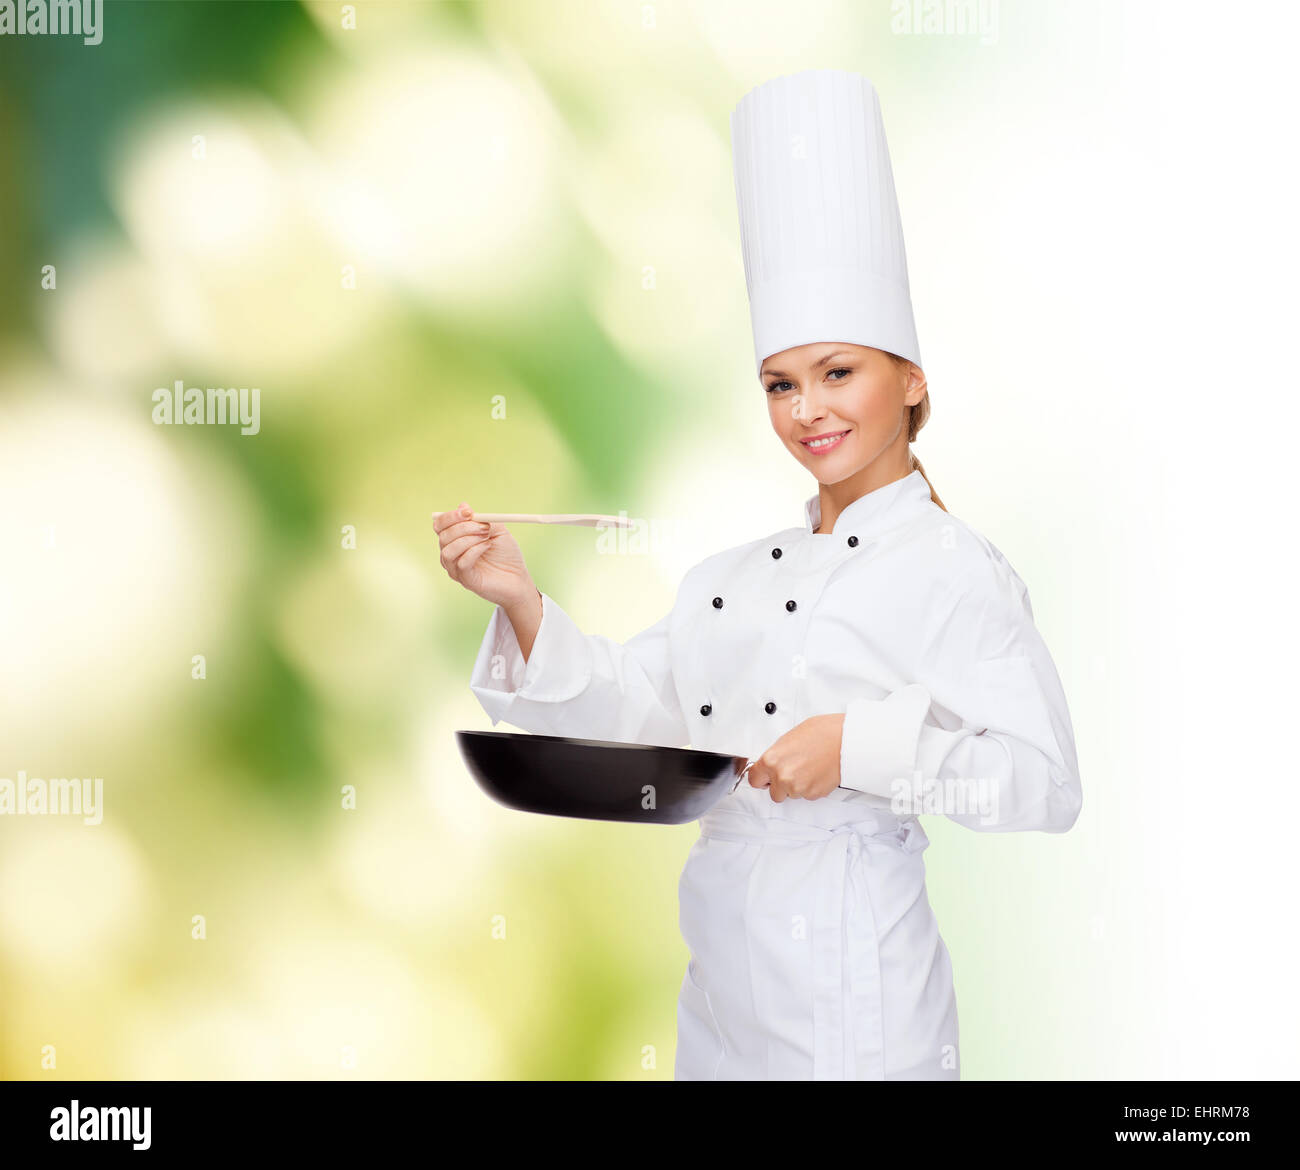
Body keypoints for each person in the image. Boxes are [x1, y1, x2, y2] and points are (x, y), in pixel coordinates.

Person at [434, 69, 1081, 1080]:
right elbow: (636, 707)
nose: (805, 411)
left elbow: (1042, 787)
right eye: (781, 383)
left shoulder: (954, 570)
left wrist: (855, 748)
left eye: (838, 374)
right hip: (724, 997)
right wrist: (520, 599)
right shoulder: (729, 576)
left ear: (909, 380)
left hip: (858, 1004)